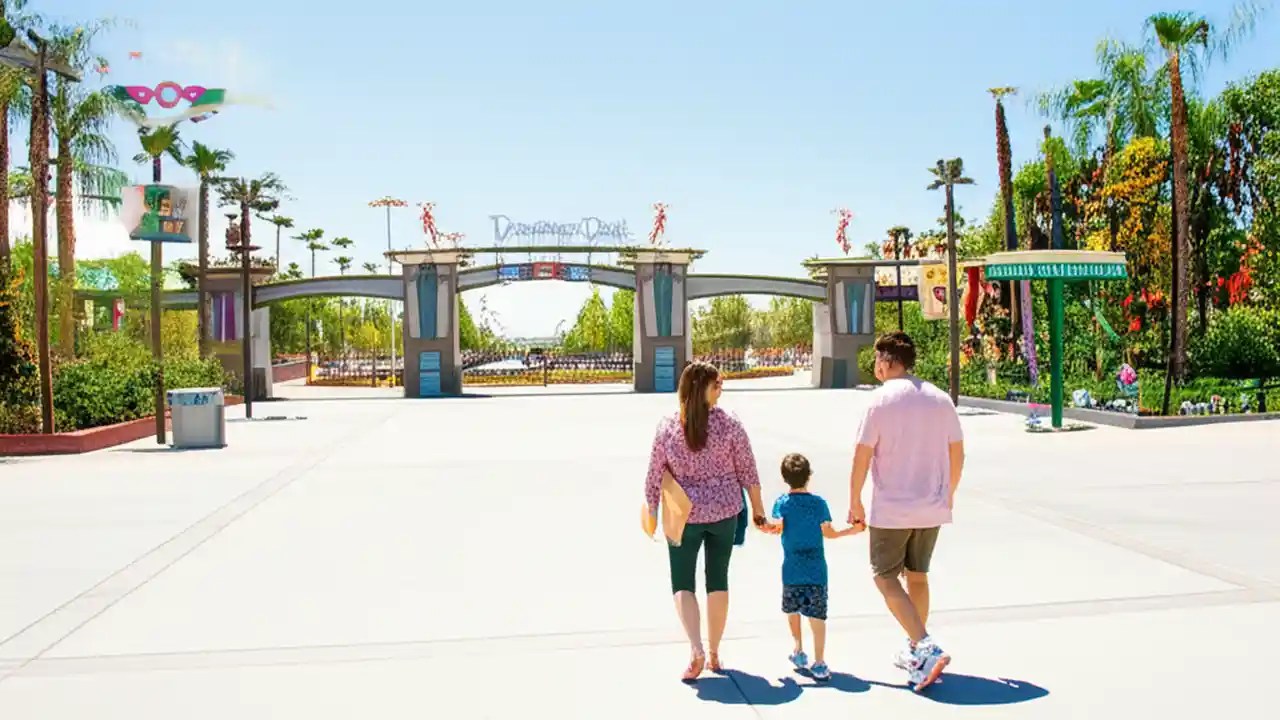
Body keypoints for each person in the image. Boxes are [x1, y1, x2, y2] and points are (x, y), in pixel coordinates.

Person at [847, 331, 965, 693]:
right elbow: (957, 452)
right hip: (932, 507)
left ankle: (926, 646)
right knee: (918, 576)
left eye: (877, 359)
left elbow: (862, 455)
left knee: (884, 577)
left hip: (892, 509)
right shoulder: (940, 399)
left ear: (886, 361)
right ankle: (915, 650)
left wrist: (854, 500)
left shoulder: (879, 401)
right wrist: (948, 493)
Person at [645, 361, 769, 681]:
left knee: (682, 583)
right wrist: (758, 510)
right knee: (718, 581)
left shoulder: (668, 427)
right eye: (717, 385)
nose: (721, 390)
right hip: (725, 513)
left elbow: (654, 473)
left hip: (683, 515)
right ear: (703, 389)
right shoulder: (730, 424)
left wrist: (652, 509)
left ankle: (696, 648)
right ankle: (714, 652)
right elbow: (748, 470)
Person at [760, 453, 863, 681]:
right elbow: (829, 533)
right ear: (809, 475)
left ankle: (798, 649)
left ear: (784, 478)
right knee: (817, 615)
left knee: (792, 610)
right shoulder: (818, 504)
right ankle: (820, 661)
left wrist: (765, 527)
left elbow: (777, 528)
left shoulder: (782, 503)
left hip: (792, 568)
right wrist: (853, 530)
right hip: (816, 568)